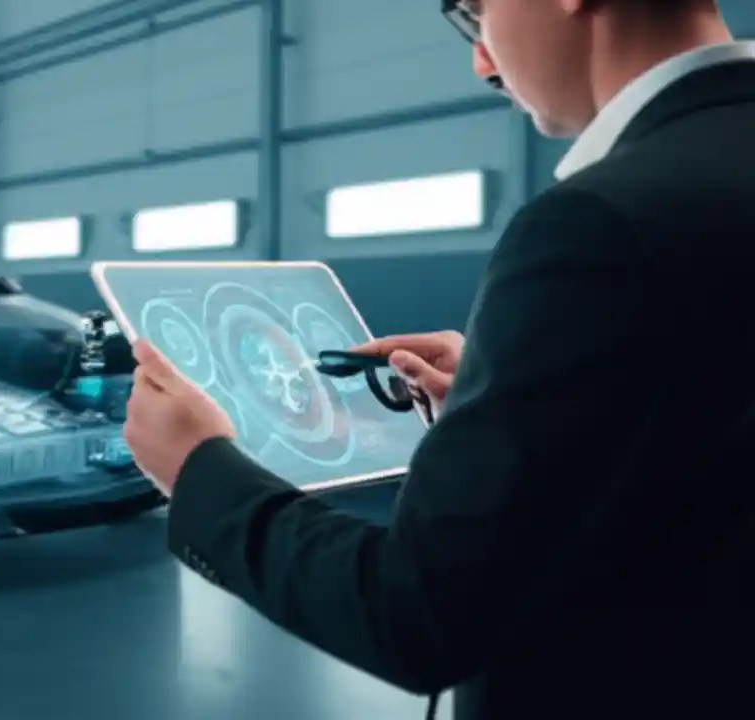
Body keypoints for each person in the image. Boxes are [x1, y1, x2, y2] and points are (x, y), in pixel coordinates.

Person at [121, 1, 755, 718]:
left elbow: (421, 612)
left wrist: (200, 471)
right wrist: (513, 407)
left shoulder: (597, 222)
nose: (483, 61)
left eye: (475, 15)